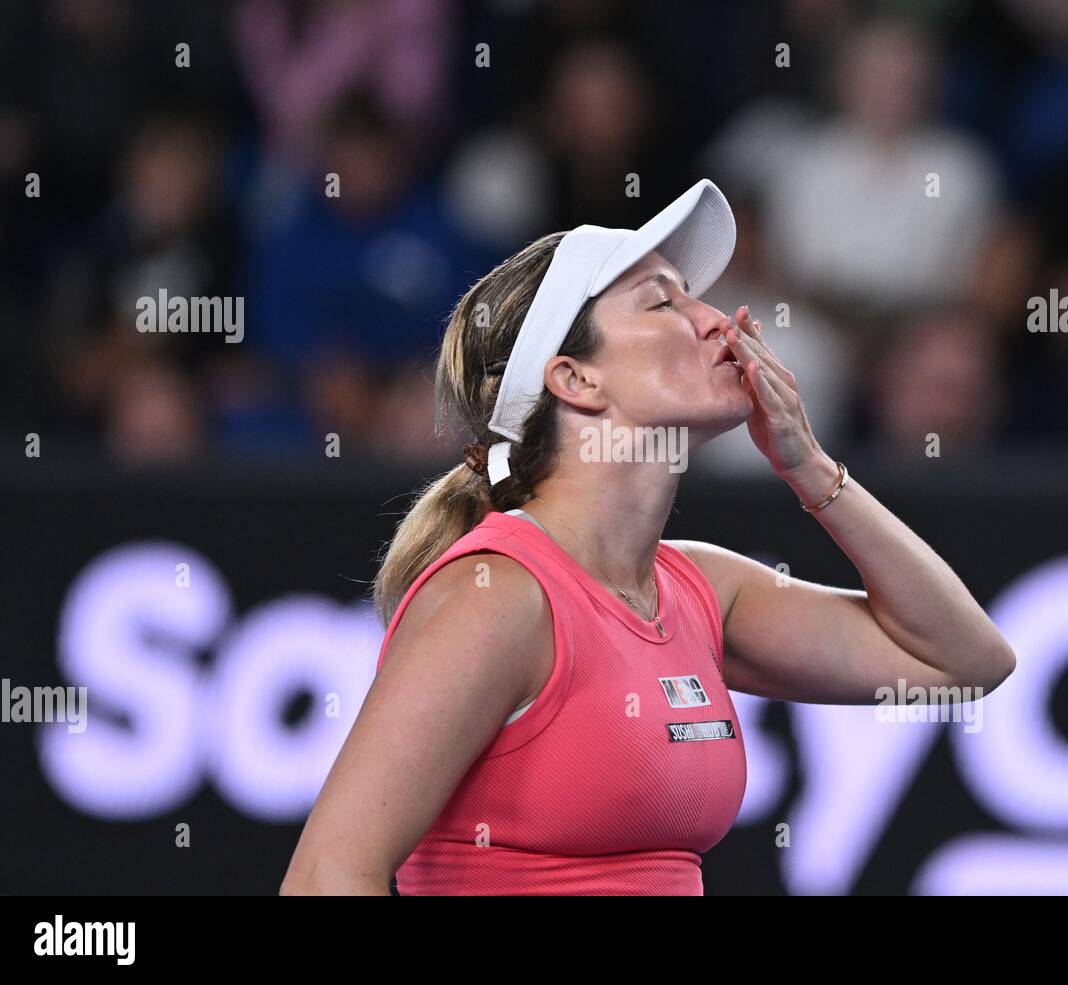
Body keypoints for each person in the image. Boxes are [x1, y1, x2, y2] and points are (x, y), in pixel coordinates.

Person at [280, 179, 1016, 896]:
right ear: (575, 379)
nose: (718, 321)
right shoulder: (497, 595)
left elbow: (966, 660)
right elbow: (326, 876)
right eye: (665, 300)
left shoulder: (699, 588)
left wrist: (813, 470)